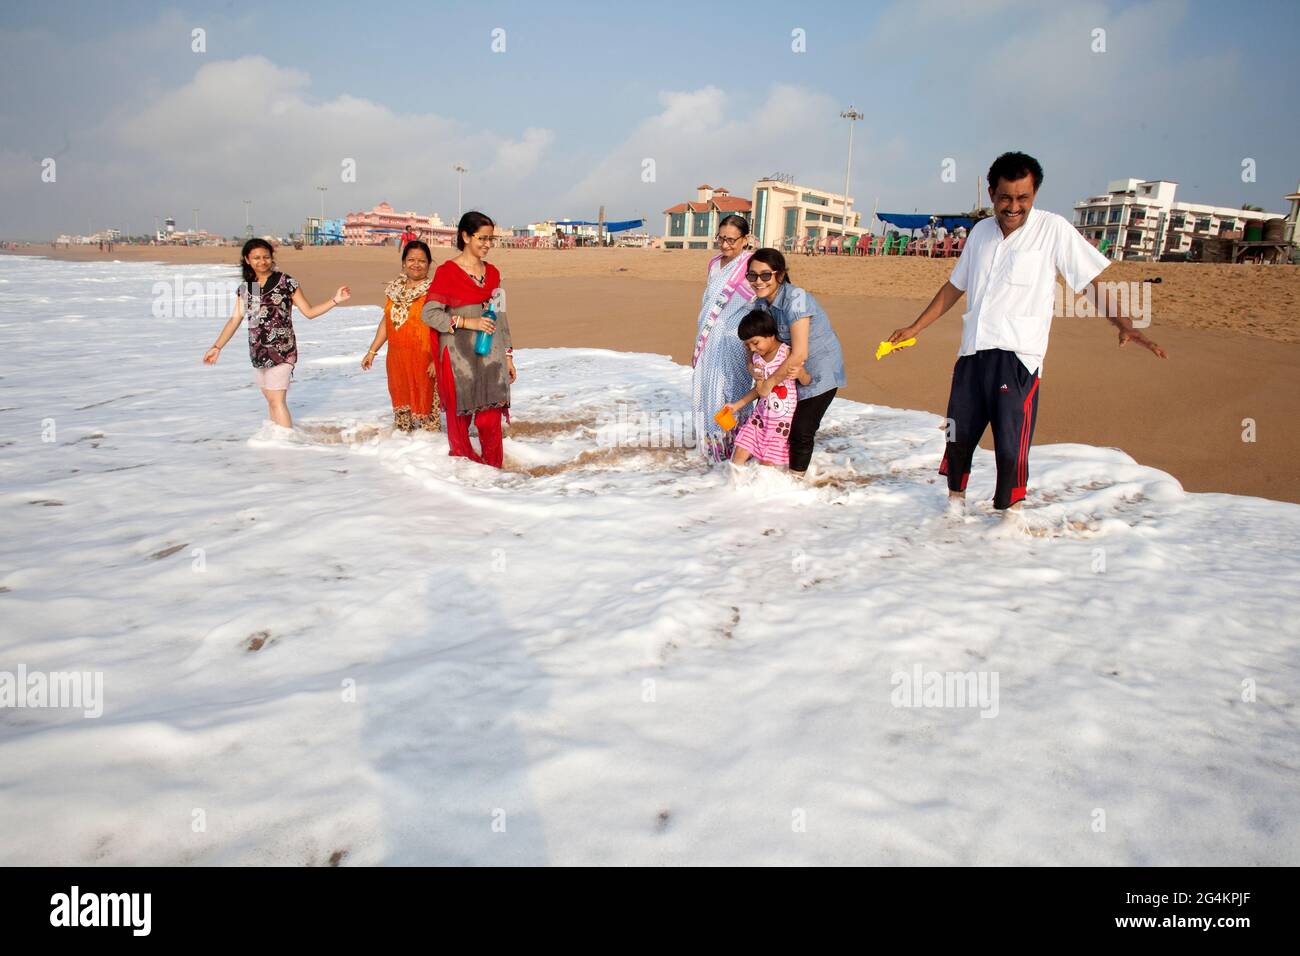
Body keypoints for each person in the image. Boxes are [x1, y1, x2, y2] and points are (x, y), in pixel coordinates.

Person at [887, 151, 1166, 519]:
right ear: (991, 194)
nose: (1014, 207)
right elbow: (955, 287)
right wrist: (915, 328)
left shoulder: (1053, 230)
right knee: (957, 441)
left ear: (1034, 195)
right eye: (1005, 198)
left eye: (1023, 198)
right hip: (972, 355)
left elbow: (1089, 284)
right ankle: (952, 516)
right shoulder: (981, 233)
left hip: (1018, 360)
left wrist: (1124, 324)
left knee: (1010, 451)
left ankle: (1007, 527)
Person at [202, 238, 350, 429]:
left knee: (276, 400)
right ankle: (277, 441)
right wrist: (217, 347)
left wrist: (335, 300)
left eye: (266, 257)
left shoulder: (285, 282)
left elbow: (309, 312)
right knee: (270, 399)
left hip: (282, 350)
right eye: (256, 258)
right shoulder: (249, 288)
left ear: (272, 258)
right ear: (247, 260)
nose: (262, 261)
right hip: (258, 351)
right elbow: (235, 320)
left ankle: (287, 442)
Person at [418, 211, 516, 468]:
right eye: (482, 238)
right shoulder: (447, 272)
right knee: (460, 419)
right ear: (464, 236)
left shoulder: (493, 273)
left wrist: (508, 356)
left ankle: (493, 473)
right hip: (457, 353)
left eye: (490, 239)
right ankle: (464, 476)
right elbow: (429, 313)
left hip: (489, 351)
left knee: (489, 419)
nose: (487, 244)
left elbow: (501, 315)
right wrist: (466, 322)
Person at [746, 248, 846, 476]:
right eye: (752, 275)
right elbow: (752, 340)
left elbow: (799, 354)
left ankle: (796, 486)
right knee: (780, 424)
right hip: (789, 373)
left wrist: (770, 383)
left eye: (765, 275)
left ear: (779, 275)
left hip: (820, 371)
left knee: (802, 430)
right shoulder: (760, 304)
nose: (758, 281)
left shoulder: (797, 299)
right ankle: (774, 475)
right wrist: (752, 368)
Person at [691, 214, 760, 462]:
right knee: (704, 390)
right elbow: (709, 300)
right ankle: (712, 450)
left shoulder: (751, 265)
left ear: (745, 239)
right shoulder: (713, 264)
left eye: (731, 240)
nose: (725, 245)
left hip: (733, 340)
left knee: (728, 391)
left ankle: (737, 448)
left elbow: (759, 300)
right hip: (708, 338)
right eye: (721, 239)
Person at [362, 240, 441, 432]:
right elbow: (387, 322)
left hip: (425, 361)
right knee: (402, 420)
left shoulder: (435, 291)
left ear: (429, 264)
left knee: (428, 421)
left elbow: (444, 327)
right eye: (411, 260)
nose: (416, 264)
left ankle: (432, 458)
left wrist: (437, 360)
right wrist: (372, 351)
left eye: (422, 261)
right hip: (397, 361)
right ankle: (402, 455)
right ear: (403, 263)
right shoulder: (394, 290)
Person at [722, 310, 811, 468]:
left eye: (755, 343)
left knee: (767, 463)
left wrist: (801, 373)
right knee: (739, 454)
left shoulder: (786, 353)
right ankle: (733, 487)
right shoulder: (757, 359)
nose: (752, 349)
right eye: (747, 345)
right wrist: (736, 405)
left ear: (770, 334)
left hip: (781, 422)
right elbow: (759, 390)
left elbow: (806, 381)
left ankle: (765, 492)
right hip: (760, 418)